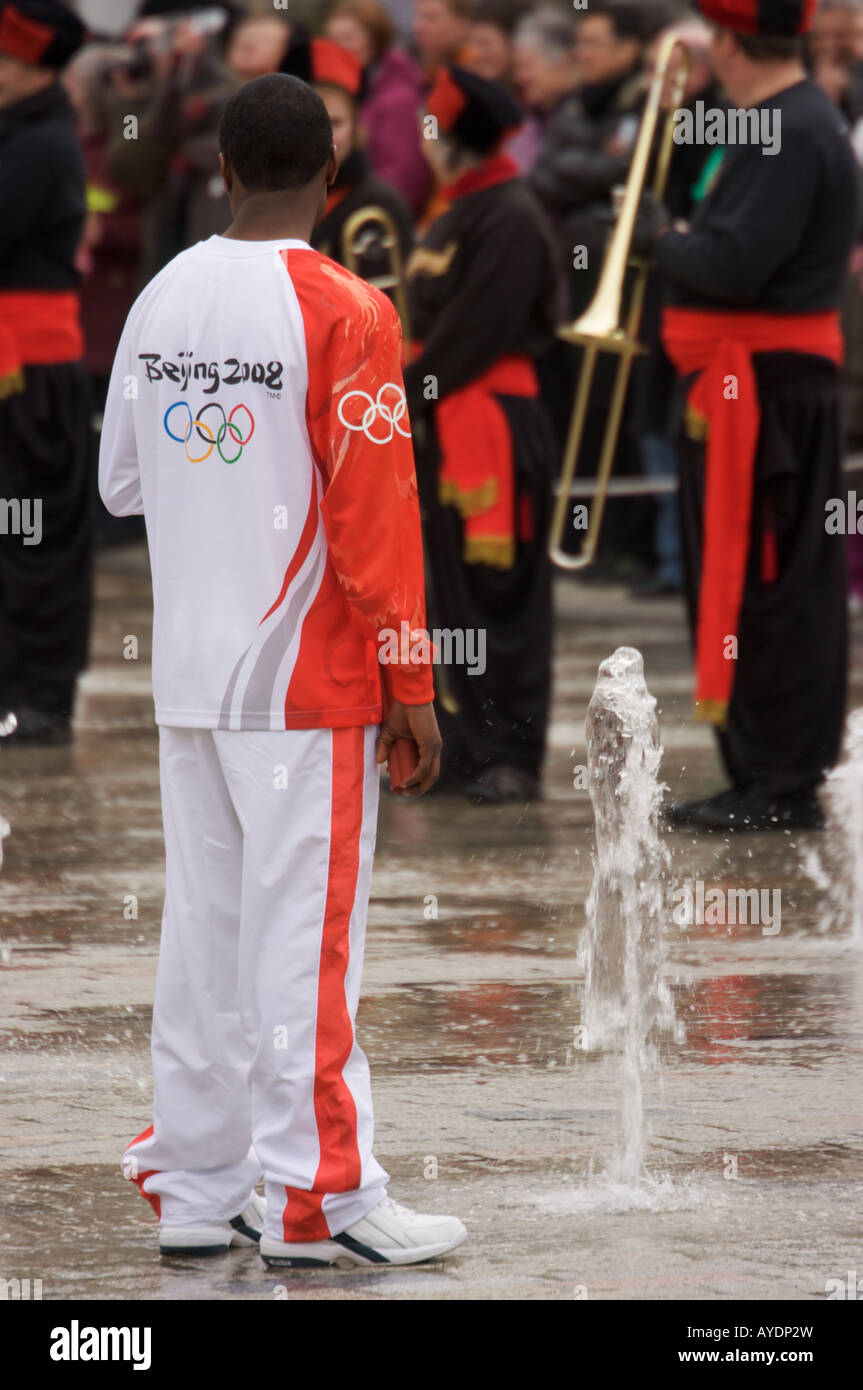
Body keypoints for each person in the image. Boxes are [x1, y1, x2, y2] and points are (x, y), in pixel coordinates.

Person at [99, 72, 466, 1267]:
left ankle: (199, 1187)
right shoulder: (346, 306)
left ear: (217, 170)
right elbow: (375, 515)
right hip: (305, 684)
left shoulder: (158, 296)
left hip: (190, 675)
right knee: (303, 943)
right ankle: (320, 1199)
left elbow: (121, 483)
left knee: (205, 937)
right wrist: (413, 680)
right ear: (332, 176)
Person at [656, 0, 860, 830]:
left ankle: (777, 780)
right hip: (749, 384)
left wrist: (649, 241)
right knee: (755, 578)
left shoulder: (789, 127)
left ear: (732, 44)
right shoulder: (773, 119)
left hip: (764, 390)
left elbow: (733, 263)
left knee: (772, 582)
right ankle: (763, 771)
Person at [404, 65, 559, 802]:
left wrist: (398, 398)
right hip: (448, 421)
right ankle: (464, 746)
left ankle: (508, 755)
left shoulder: (509, 214)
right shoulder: (460, 207)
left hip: (492, 425)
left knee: (501, 602)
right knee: (454, 599)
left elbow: (468, 338)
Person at [0, 0, 91, 747]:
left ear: (32, 70)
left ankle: (41, 695)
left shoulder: (43, 146)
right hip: (11, 367)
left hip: (29, 374)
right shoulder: (20, 133)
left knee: (31, 537)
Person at [280, 33, 413, 286]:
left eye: (336, 123)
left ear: (356, 129)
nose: (325, 135)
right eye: (313, 121)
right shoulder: (276, 197)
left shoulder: (380, 204)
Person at [324, 0, 430, 216]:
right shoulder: (350, 90)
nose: (339, 49)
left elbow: (402, 177)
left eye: (348, 39)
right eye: (333, 40)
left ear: (374, 40)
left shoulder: (398, 99)